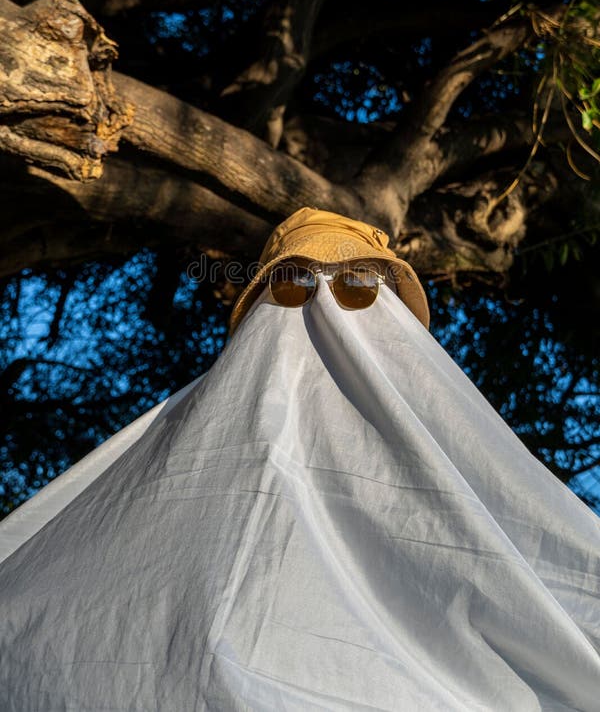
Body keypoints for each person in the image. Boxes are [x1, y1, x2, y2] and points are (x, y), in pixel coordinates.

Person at [0, 207, 599, 711]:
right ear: (263, 305)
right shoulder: (162, 461)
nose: (325, 309)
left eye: (360, 289)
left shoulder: (466, 468)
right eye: (294, 285)